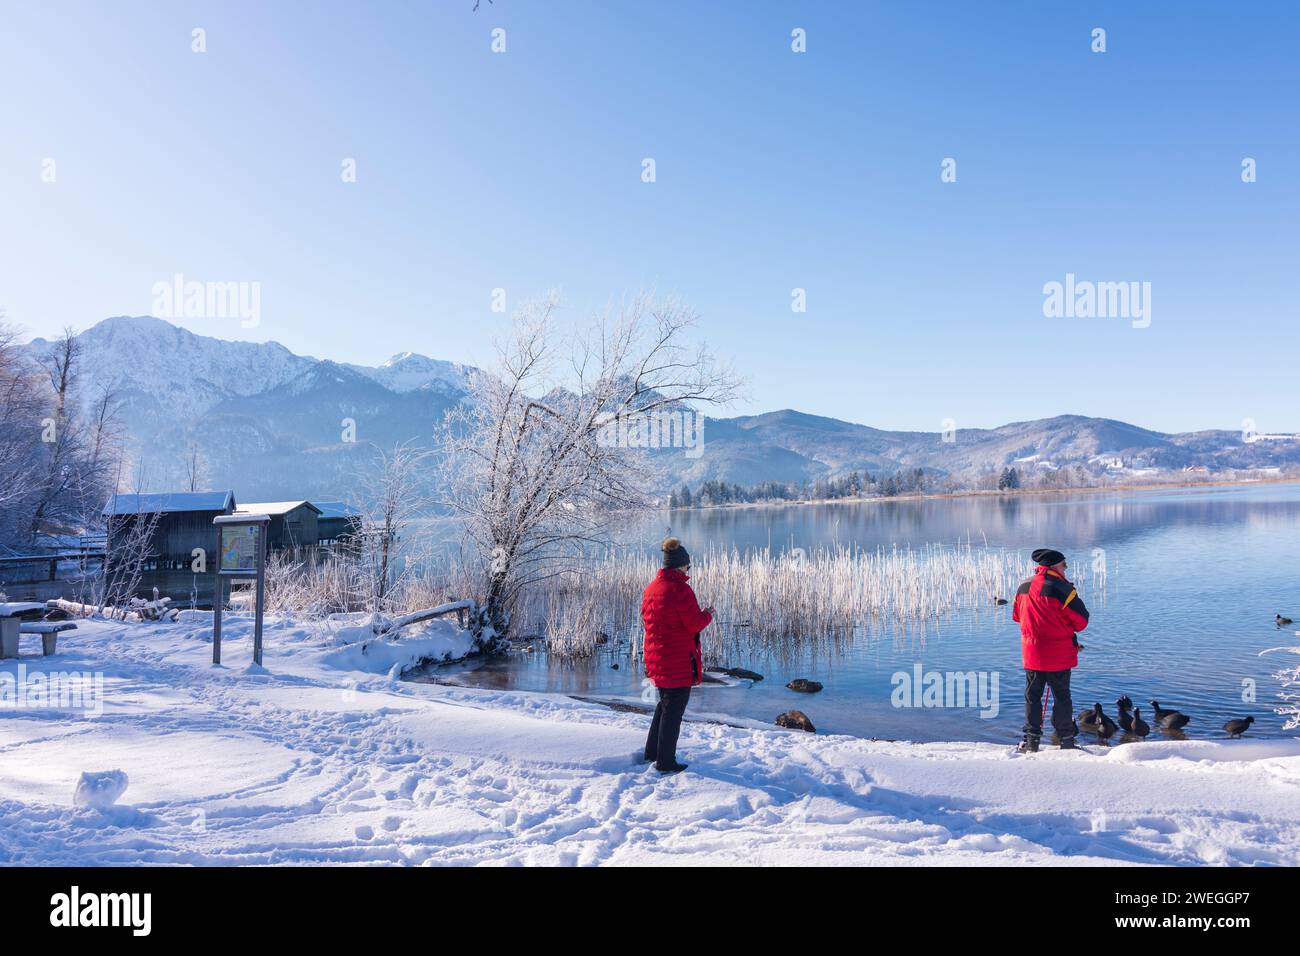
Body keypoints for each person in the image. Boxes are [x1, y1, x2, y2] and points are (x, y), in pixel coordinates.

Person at [641, 536, 714, 774]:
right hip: (677, 660)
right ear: (680, 565)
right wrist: (708, 614)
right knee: (673, 712)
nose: (688, 569)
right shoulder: (680, 590)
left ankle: (653, 752)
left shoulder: (652, 588)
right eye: (688, 565)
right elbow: (693, 624)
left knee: (664, 706)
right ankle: (665, 762)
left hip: (657, 658)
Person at [1012, 547, 1090, 752]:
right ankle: (1066, 741)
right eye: (1064, 564)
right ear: (1055, 566)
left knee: (1032, 697)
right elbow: (1082, 622)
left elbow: (1017, 616)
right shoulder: (1063, 589)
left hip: (1032, 654)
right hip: (1059, 655)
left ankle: (1031, 742)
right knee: (1062, 697)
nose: (1066, 568)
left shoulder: (1023, 586)